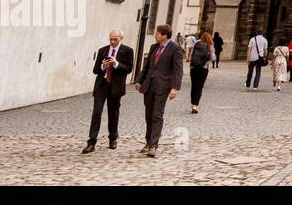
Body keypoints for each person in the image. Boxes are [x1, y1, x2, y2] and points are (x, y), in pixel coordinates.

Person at [135, 24, 183, 158]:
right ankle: (148, 141)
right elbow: (147, 66)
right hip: (149, 86)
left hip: (163, 87)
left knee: (157, 115)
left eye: (157, 33)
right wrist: (139, 80)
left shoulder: (175, 48)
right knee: (148, 115)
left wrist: (174, 88)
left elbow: (178, 70)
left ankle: (154, 145)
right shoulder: (153, 47)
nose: (155, 35)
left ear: (164, 36)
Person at [83, 29, 134, 153]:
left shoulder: (127, 51)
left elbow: (129, 69)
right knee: (97, 112)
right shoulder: (103, 50)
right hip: (102, 85)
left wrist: (116, 64)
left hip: (116, 86)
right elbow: (95, 70)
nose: (112, 41)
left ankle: (113, 138)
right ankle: (91, 142)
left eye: (115, 39)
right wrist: (103, 66)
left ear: (121, 38)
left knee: (113, 113)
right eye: (110, 39)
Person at [189, 31, 214, 113]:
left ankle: (192, 104)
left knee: (194, 86)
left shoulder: (196, 44)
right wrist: (211, 52)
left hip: (194, 67)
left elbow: (192, 55)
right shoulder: (210, 45)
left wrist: (191, 66)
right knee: (199, 87)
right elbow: (213, 58)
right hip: (203, 69)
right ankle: (195, 106)